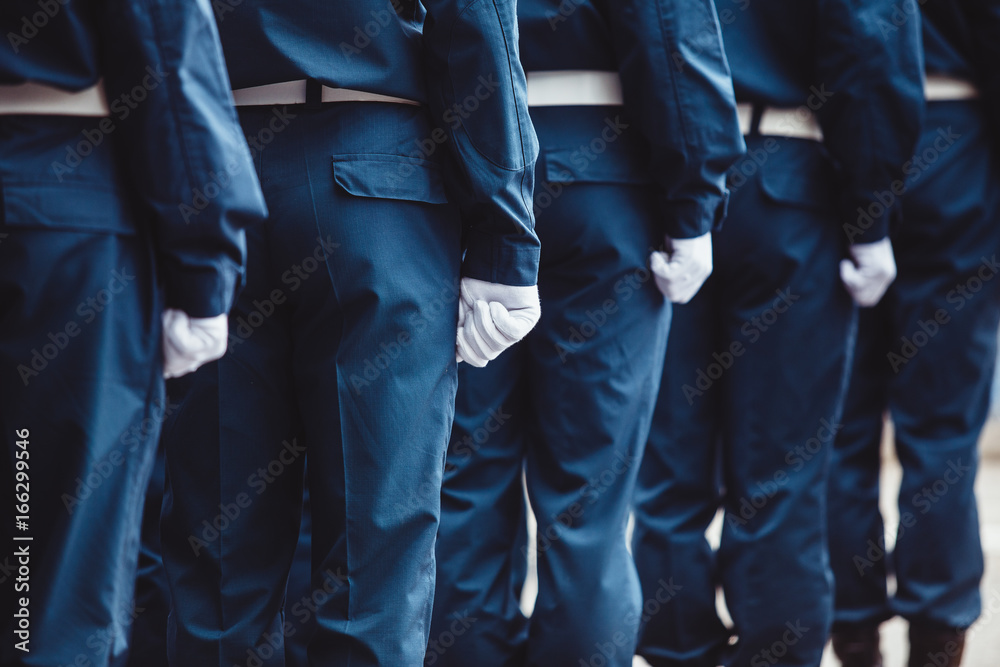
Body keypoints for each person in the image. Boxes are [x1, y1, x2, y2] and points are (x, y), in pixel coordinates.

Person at [157, 1, 541, 665]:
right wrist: (504, 234)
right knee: (374, 568)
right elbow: (474, 15)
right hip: (377, 176)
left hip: (222, 175)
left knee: (217, 573)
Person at [427, 2, 743, 665]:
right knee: (587, 502)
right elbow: (669, 29)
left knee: (465, 481)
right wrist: (695, 201)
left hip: (469, 179)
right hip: (601, 180)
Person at [630, 1, 924, 665]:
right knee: (782, 478)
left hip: (668, 190)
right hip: (788, 187)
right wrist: (872, 215)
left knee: (668, 478)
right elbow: (870, 46)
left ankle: (679, 655)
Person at [0, 0, 265, 663]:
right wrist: (205, 266)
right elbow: (161, 34)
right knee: (50, 590)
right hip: (55, 207)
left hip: (52, 202)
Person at [827, 3, 1000, 665]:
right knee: (943, 422)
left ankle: (854, 628)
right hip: (953, 140)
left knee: (841, 424)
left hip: (843, 136)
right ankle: (936, 628)